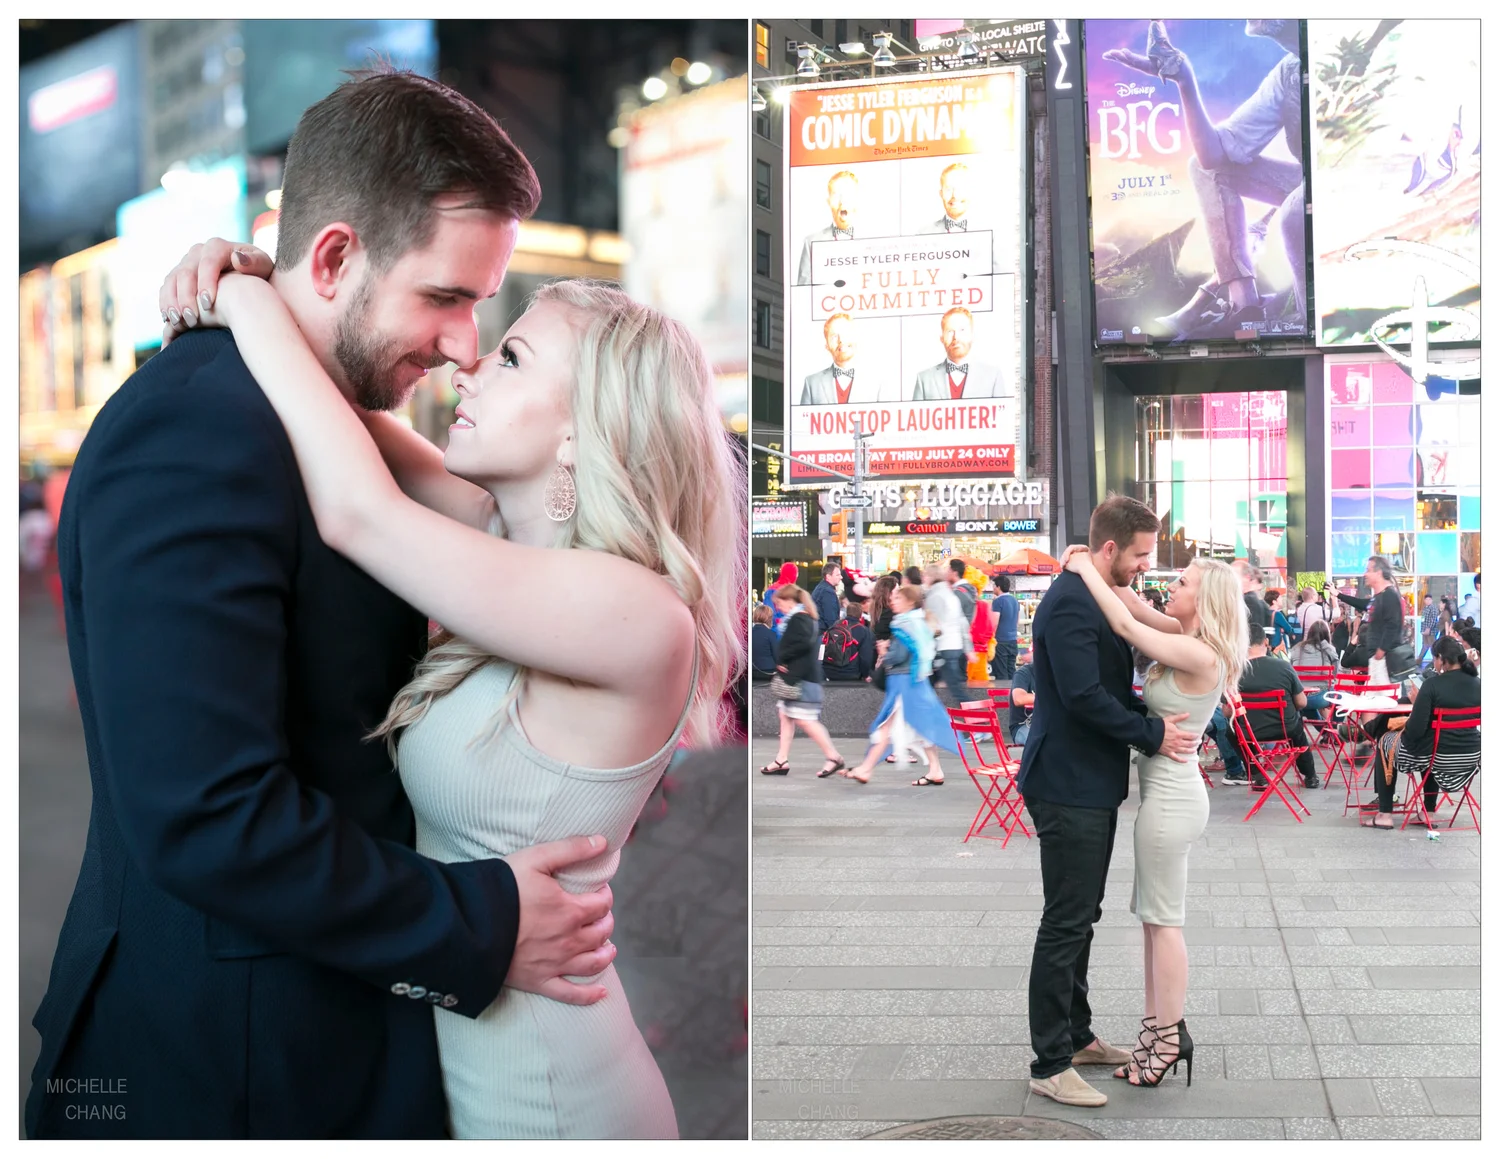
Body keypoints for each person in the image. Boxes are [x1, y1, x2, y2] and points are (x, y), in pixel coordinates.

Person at [26, 71, 653, 1141]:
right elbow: (205, 809)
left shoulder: (330, 429)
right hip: (226, 1064)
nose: (463, 346)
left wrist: (245, 291)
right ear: (332, 259)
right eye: (447, 298)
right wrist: (477, 920)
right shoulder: (197, 430)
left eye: (488, 319)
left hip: (341, 1034)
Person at [152, 223, 746, 1139]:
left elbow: (357, 511)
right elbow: (348, 422)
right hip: (477, 1070)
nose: (467, 365)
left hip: (553, 1104)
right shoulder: (502, 537)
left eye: (510, 357)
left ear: (586, 427)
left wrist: (237, 297)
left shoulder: (634, 614)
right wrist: (258, 277)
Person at [1017, 496, 1200, 1108]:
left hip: (1086, 783)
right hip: (1066, 783)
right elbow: (1083, 696)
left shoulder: (1090, 590)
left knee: (1082, 916)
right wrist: (1153, 733)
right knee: (1066, 921)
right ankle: (1049, 1062)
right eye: (1143, 554)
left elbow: (1134, 632)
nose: (1147, 566)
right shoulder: (1070, 602)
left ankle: (1078, 1035)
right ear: (1111, 549)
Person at [1059, 545, 1244, 1091]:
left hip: (1171, 802)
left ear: (1203, 599)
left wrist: (1080, 570)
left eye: (1183, 582)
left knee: (1163, 925)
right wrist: (1092, 564)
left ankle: (1167, 1038)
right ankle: (1158, 1032)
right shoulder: (1185, 637)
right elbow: (1130, 603)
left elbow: (1122, 620)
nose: (1172, 588)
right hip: (1164, 798)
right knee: (1154, 923)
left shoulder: (1201, 655)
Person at [1106, 20, 1305, 342]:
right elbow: (1214, 156)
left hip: (1354, 173)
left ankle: (1297, 313)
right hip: (1310, 179)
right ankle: (1244, 308)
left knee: (1295, 211)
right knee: (1204, 167)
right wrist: (1184, 80)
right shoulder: (1287, 74)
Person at [842, 584, 959, 786]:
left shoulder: (905, 624)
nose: (892, 601)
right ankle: (935, 769)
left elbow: (900, 655)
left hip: (904, 684)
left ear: (909, 602)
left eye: (897, 598)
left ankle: (866, 769)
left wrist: (886, 651)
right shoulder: (917, 621)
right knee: (920, 727)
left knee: (886, 727)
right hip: (914, 682)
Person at [1364, 636, 1480, 830]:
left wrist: (1406, 720)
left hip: (1437, 755)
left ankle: (1384, 814)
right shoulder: (1478, 685)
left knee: (1386, 741)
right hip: (1470, 757)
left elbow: (1415, 733)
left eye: (1435, 658)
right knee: (1434, 741)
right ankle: (1429, 811)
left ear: (1441, 659)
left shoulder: (1432, 685)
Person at [761, 584, 845, 779]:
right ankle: (781, 759)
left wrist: (783, 659)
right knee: (786, 715)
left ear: (790, 601)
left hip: (801, 678)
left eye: (779, 602)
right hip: (803, 677)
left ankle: (833, 756)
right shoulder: (804, 618)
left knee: (804, 720)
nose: (778, 607)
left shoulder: (799, 619)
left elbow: (802, 644)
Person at [1231, 623, 1321, 791]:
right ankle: (1310, 775)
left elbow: (1227, 711)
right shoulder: (1283, 667)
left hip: (1248, 732)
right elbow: (1302, 703)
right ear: (1266, 642)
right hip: (1284, 728)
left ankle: (1256, 772)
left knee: (1230, 730)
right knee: (1297, 725)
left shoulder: (1235, 671)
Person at [1333, 556, 1403, 685]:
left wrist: (1380, 652)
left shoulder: (1389, 596)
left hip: (1385, 661)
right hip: (1378, 659)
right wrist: (1338, 595)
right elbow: (1362, 604)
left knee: (1384, 699)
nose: (1365, 574)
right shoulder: (1380, 597)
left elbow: (1393, 626)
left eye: (1368, 570)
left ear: (1378, 573)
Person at [911, 307, 1008, 400]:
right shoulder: (923, 379)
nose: (956, 337)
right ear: (941, 338)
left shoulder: (993, 376)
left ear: (972, 336)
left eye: (962, 330)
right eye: (950, 331)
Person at [800, 313, 891, 405]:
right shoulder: (811, 383)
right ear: (827, 346)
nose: (841, 340)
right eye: (834, 336)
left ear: (856, 338)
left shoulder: (878, 382)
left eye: (846, 333)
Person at [796, 169, 859, 285]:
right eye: (837, 195)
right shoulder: (811, 242)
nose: (842, 201)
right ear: (829, 201)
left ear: (857, 200)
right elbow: (803, 289)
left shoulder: (875, 239)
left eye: (848, 194)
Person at [923, 563, 973, 708]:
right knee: (929, 686)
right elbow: (963, 623)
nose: (924, 578)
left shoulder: (935, 596)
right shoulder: (950, 595)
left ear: (931, 577)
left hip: (943, 649)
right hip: (953, 646)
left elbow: (933, 626)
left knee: (956, 690)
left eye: (925, 575)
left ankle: (979, 723)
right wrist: (968, 648)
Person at [822, 602, 874, 683]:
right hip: (851, 673)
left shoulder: (834, 626)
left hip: (829, 671)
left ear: (847, 612)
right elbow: (865, 658)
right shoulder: (863, 631)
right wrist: (865, 675)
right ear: (860, 615)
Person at [991, 574, 1022, 681]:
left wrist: (990, 639)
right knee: (1011, 671)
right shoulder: (1015, 600)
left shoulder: (998, 601)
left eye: (994, 586)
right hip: (1013, 641)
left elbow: (994, 623)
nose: (993, 588)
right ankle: (1013, 695)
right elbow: (1017, 621)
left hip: (1000, 641)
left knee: (1001, 673)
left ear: (999, 587)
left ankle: (1003, 697)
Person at [1230, 559, 1273, 631]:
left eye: (1234, 575)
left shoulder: (1247, 601)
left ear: (1247, 577)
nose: (1230, 580)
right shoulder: (1261, 603)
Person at [1007, 652, 1036, 745]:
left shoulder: (1058, 675)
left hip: (1050, 724)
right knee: (1045, 741)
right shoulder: (1023, 673)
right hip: (1024, 725)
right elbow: (1019, 699)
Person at [812, 561, 842, 636]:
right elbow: (831, 619)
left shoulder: (821, 587)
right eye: (837, 575)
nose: (841, 577)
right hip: (822, 634)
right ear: (828, 576)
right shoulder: (827, 592)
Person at [751, 604, 778, 681]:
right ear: (769, 618)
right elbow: (776, 655)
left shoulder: (749, 633)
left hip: (752, 671)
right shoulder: (771, 634)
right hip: (768, 671)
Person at [1418, 593, 1441, 664]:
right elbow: (1423, 619)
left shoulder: (1433, 608)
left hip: (1431, 632)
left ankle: (1436, 661)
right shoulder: (1425, 608)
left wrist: (1428, 628)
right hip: (1424, 631)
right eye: (1426, 599)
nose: (1428, 601)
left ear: (1431, 600)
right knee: (1425, 645)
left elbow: (1433, 620)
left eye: (1429, 599)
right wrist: (1422, 630)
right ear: (1424, 600)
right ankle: (1419, 660)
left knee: (1432, 646)